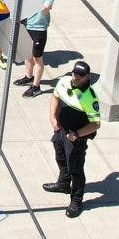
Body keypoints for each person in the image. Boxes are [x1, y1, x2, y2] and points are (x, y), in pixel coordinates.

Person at [43, 60, 102, 218]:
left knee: (75, 168)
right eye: (75, 73)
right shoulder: (64, 81)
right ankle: (63, 183)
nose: (76, 77)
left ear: (87, 77)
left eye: (80, 75)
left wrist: (76, 134)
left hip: (75, 137)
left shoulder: (89, 97)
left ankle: (76, 200)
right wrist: (52, 117)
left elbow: (96, 124)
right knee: (60, 156)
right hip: (61, 130)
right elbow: (55, 96)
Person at [14, 0, 56, 98]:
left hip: (39, 30)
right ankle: (28, 77)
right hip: (27, 26)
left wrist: (42, 6)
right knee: (27, 54)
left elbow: (45, 9)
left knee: (37, 58)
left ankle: (36, 87)